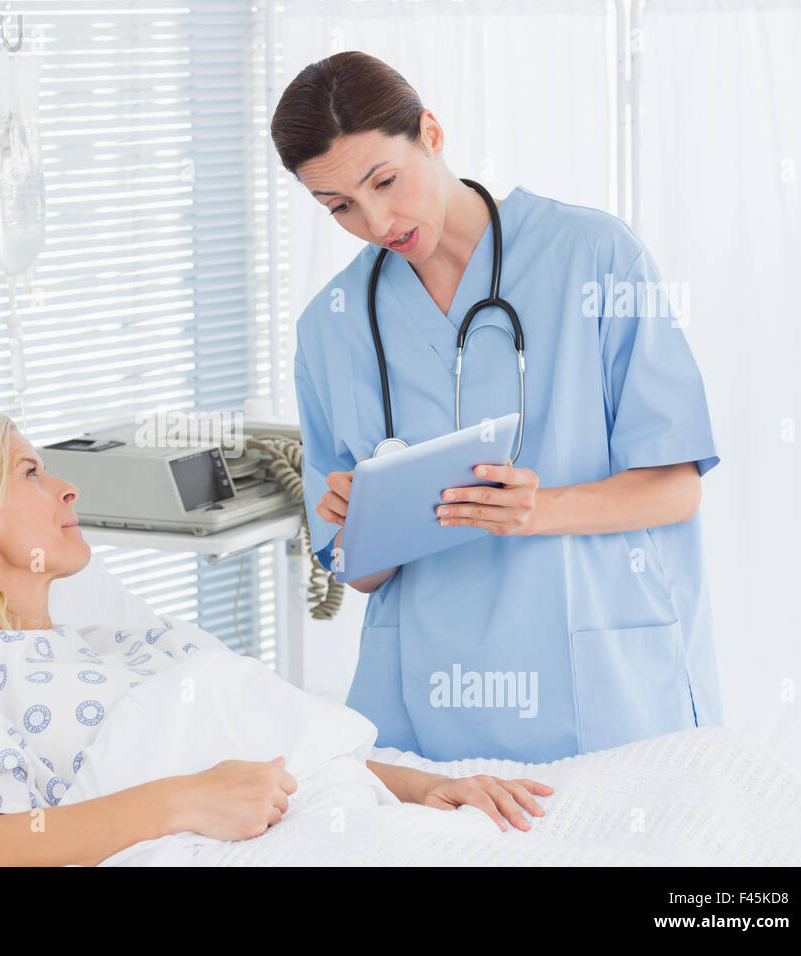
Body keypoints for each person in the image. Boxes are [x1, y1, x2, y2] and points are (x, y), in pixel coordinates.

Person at [0, 413, 552, 866]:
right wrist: (181, 801)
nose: (68, 490)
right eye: (31, 472)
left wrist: (428, 786)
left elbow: (287, 749)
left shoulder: (126, 641)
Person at [271, 52, 722, 763]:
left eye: (384, 181)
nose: (377, 220)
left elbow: (676, 489)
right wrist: (358, 518)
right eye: (340, 208)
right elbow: (356, 574)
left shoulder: (595, 257)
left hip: (600, 684)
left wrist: (538, 510)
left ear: (432, 133)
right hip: (425, 705)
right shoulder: (330, 326)